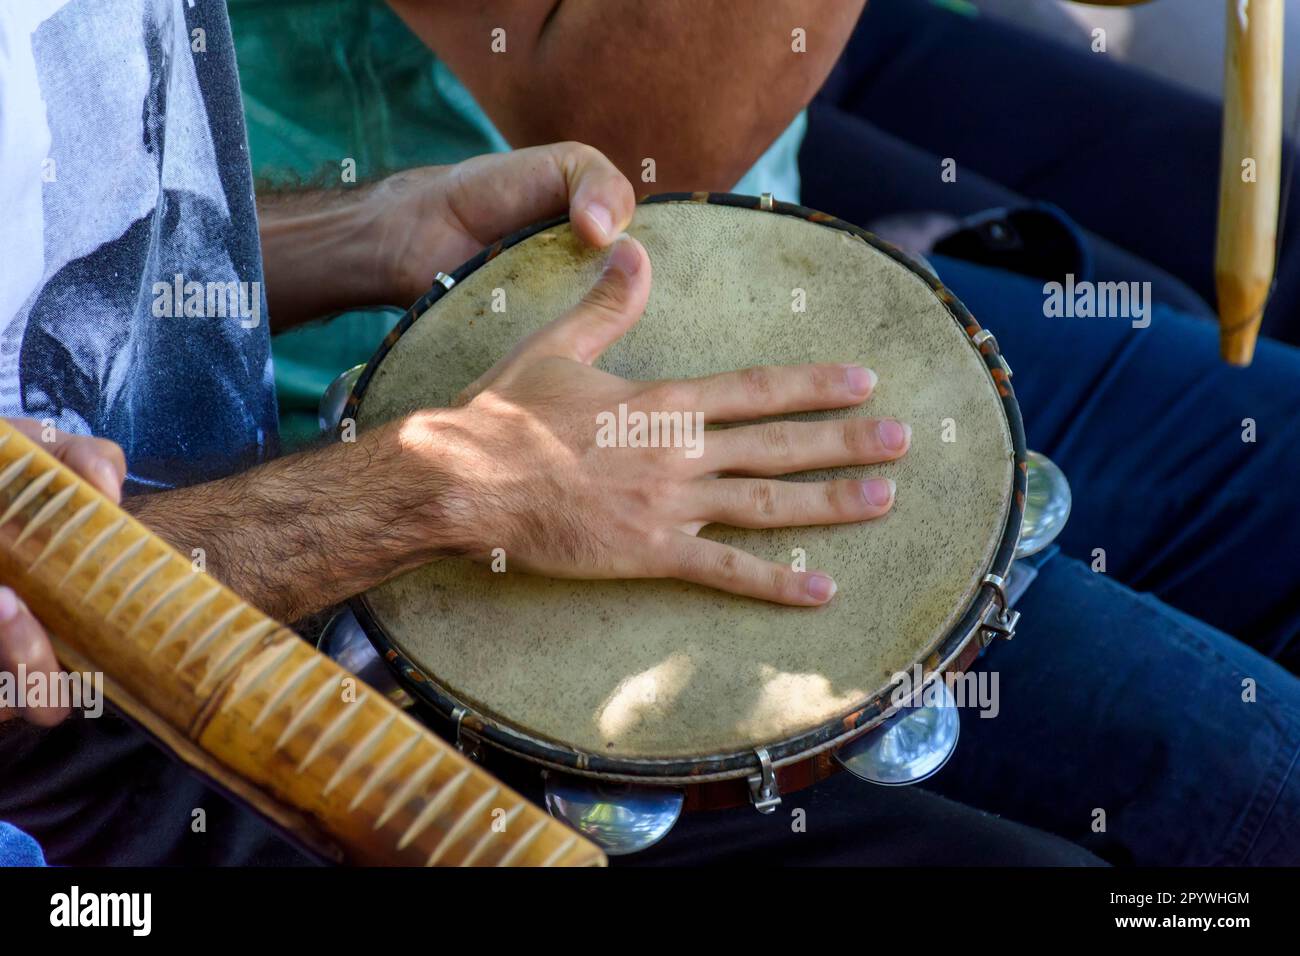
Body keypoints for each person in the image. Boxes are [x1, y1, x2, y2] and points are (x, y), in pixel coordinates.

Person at [1, 0, 1297, 868]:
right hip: (211, 710)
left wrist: (371, 229)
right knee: (1245, 783)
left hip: (405, 444)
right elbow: (31, 645)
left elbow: (90, 260)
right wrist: (435, 488)